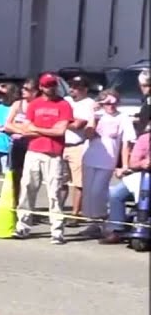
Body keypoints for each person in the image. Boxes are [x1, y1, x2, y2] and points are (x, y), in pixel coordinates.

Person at [14, 73, 73, 244]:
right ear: (41, 87)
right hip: (34, 151)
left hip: (54, 154)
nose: (50, 88)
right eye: (46, 85)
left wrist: (37, 128)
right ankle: (23, 226)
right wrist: (47, 129)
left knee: (54, 192)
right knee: (27, 189)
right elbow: (25, 130)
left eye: (52, 85)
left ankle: (57, 230)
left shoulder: (63, 104)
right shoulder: (34, 104)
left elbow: (60, 131)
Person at [80, 89, 137, 237]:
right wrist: (93, 114)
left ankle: (103, 219)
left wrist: (125, 164)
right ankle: (93, 223)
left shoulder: (123, 118)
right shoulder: (97, 116)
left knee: (98, 191)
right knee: (88, 193)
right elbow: (88, 134)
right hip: (89, 158)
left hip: (107, 160)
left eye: (114, 102)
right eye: (107, 103)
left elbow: (126, 143)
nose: (111, 106)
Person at [99, 129, 150, 245]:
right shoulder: (144, 139)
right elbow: (133, 163)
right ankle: (117, 230)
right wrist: (142, 163)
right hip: (143, 176)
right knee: (115, 194)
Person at [62, 76, 97, 227]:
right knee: (59, 180)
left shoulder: (89, 104)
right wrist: (66, 121)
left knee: (78, 182)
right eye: (71, 86)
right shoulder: (65, 100)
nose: (72, 90)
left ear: (85, 89)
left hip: (78, 145)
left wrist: (63, 121)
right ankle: (58, 211)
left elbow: (78, 124)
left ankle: (75, 213)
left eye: (76, 87)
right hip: (61, 144)